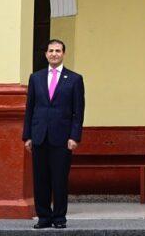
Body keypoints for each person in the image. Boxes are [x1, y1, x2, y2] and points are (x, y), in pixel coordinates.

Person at [22, 39, 85, 229]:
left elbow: (78, 112)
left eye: (58, 51)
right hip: (39, 136)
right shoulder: (36, 78)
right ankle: (43, 217)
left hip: (62, 138)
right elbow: (30, 108)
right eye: (51, 50)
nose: (54, 54)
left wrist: (75, 136)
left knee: (59, 180)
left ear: (64, 54)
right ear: (46, 54)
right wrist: (27, 136)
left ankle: (59, 218)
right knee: (40, 179)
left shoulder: (74, 79)